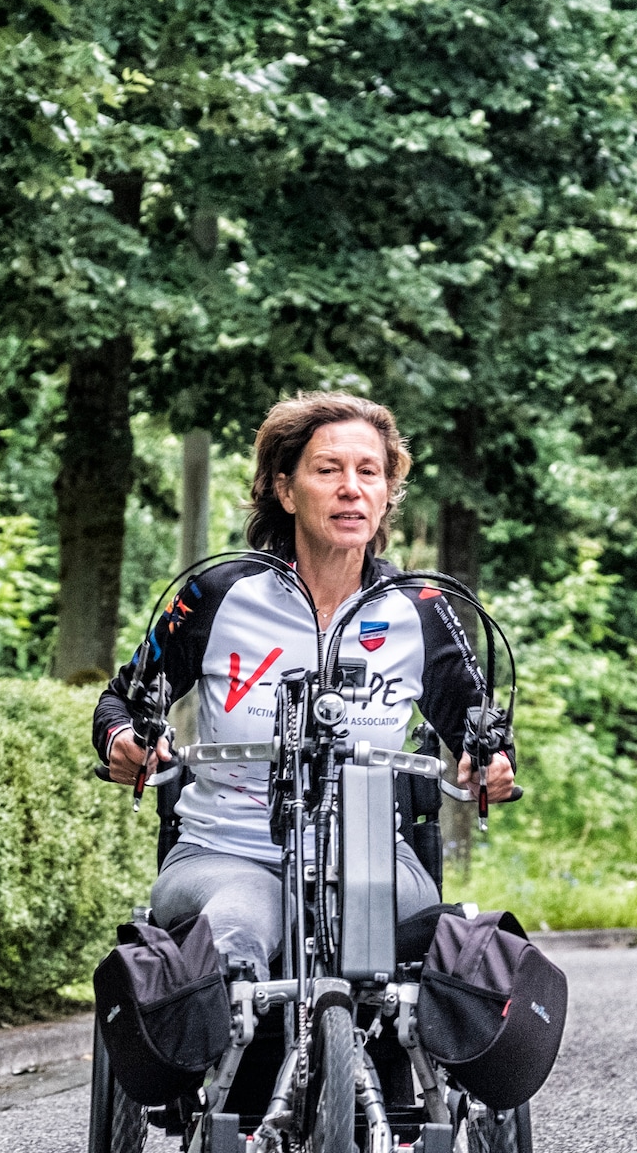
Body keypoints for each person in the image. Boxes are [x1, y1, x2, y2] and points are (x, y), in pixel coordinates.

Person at [92, 391, 517, 980]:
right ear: (286, 490)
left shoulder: (420, 608)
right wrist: (124, 740)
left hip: (372, 859)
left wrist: (489, 763)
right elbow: (120, 703)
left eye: (369, 472)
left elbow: (482, 732)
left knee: (414, 944)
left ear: (387, 492)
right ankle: (224, 1060)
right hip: (227, 853)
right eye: (328, 469)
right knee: (240, 930)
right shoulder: (218, 595)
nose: (352, 487)